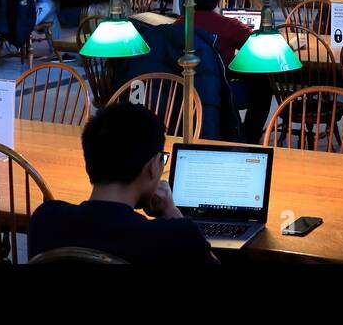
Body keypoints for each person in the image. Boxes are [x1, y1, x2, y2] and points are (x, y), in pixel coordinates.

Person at [28, 102, 217, 264]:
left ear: (88, 163)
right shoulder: (176, 237)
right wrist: (171, 212)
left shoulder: (45, 220)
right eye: (162, 160)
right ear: (153, 166)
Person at [176, 0, 271, 143]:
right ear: (218, 0)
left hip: (182, 89)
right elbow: (258, 48)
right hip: (220, 90)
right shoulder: (229, 25)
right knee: (264, 82)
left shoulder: (179, 23)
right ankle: (249, 137)